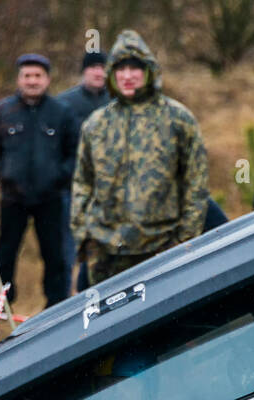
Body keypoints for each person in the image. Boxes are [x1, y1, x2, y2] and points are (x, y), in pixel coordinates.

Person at [72, 30, 209, 285]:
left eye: (134, 68)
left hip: (162, 249)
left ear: (148, 71)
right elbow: (82, 183)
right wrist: (85, 238)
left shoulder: (178, 119)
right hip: (106, 252)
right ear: (111, 73)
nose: (127, 76)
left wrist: (184, 241)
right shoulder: (96, 124)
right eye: (120, 68)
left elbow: (196, 184)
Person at [0, 54, 78, 308]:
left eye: (37, 76)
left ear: (47, 79)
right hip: (13, 198)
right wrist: (1, 173)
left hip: (51, 198)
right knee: (6, 253)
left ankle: (56, 306)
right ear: (19, 79)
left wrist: (60, 177)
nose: (32, 81)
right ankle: (0, 304)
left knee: (55, 255)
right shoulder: (3, 111)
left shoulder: (61, 112)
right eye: (27, 76)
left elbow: (75, 153)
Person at [57, 51, 111, 290]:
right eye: (93, 67)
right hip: (72, 187)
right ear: (84, 71)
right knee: (70, 245)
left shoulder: (117, 100)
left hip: (110, 188)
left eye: (103, 68)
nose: (98, 72)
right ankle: (66, 297)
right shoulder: (64, 103)